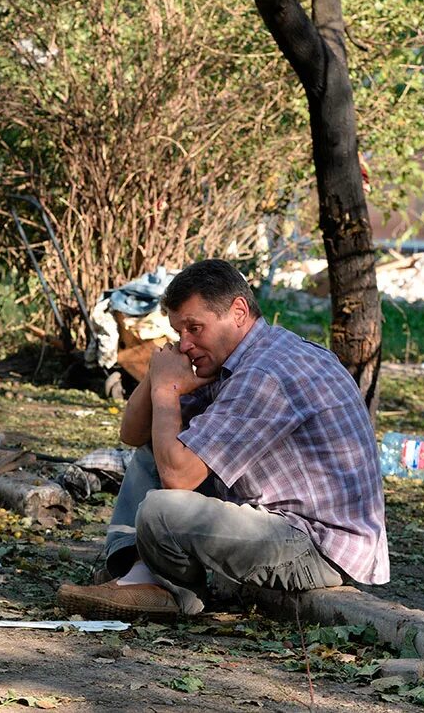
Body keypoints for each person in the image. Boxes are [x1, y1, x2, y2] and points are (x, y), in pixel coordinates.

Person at [57, 259, 388, 619]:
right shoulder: (238, 357)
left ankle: (170, 591)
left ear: (239, 312)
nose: (185, 345)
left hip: (318, 545)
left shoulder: (265, 373)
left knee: (161, 510)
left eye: (195, 328)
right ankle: (136, 573)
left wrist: (167, 389)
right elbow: (133, 435)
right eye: (178, 332)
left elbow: (178, 477)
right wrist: (156, 373)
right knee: (156, 449)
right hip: (279, 525)